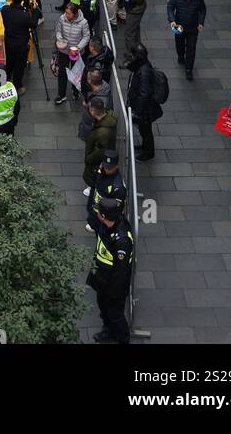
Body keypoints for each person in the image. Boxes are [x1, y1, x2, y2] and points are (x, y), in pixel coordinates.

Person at [87, 196, 134, 344]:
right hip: (102, 278)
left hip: (114, 287)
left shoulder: (122, 240)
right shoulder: (105, 224)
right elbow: (91, 220)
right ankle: (108, 331)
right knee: (104, 308)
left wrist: (113, 293)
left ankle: (122, 339)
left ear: (104, 215)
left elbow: (121, 272)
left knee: (115, 315)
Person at [126, 43, 163, 162]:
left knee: (146, 130)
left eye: (133, 55)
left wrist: (138, 111)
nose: (131, 57)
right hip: (143, 108)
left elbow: (144, 93)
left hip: (145, 109)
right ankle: (145, 147)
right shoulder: (142, 66)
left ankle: (148, 152)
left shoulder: (144, 71)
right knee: (144, 130)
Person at [0, 0, 39, 93]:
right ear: (22, 0)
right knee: (19, 66)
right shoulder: (24, 16)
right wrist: (34, 11)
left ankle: (7, 78)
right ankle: (18, 86)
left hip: (9, 42)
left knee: (10, 62)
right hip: (21, 45)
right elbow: (34, 24)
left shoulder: (5, 10)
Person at [166, 0, 206, 80]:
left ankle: (189, 69)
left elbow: (202, 10)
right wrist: (172, 20)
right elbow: (170, 6)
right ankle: (180, 55)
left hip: (193, 28)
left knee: (191, 48)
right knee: (179, 44)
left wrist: (201, 22)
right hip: (179, 26)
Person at [54, 2, 90, 106]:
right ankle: (61, 94)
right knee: (62, 73)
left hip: (76, 52)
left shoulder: (83, 23)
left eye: (68, 13)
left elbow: (86, 37)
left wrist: (79, 47)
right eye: (65, 12)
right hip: (64, 51)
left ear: (75, 14)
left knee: (76, 73)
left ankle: (75, 91)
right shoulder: (62, 18)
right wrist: (60, 39)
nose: (66, 15)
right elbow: (58, 31)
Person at [85, 150, 127, 232]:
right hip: (96, 211)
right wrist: (90, 208)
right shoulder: (100, 171)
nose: (107, 169)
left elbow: (118, 207)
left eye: (110, 168)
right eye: (106, 166)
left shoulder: (118, 186)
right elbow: (94, 188)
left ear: (117, 166)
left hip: (105, 218)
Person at [83, 96, 117, 187]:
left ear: (93, 111)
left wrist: (88, 159)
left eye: (90, 108)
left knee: (94, 184)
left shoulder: (102, 133)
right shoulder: (108, 118)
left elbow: (101, 151)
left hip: (95, 165)